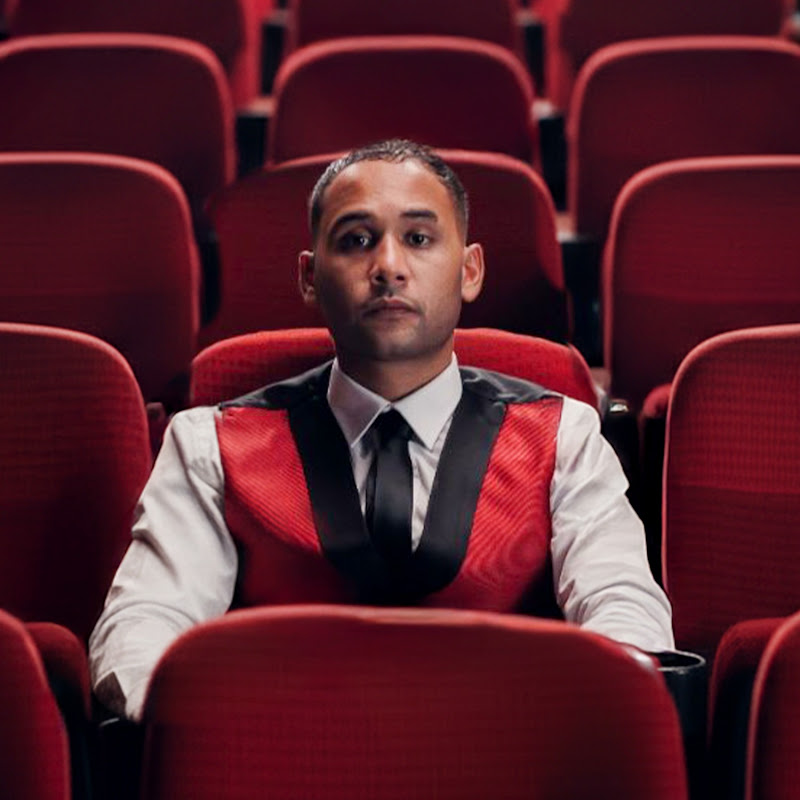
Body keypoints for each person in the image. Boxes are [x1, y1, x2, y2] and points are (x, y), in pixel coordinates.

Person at [89, 139, 673, 721]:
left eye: (418, 239)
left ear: (469, 271)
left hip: (507, 745)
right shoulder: (208, 444)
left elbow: (622, 605)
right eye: (356, 241)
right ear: (310, 277)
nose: (388, 266)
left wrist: (579, 718)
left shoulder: (563, 434)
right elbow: (143, 625)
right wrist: (202, 733)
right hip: (280, 750)